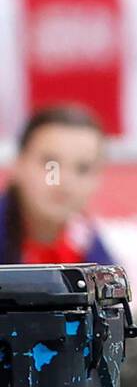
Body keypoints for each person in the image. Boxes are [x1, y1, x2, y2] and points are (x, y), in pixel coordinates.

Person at [0, 104, 113, 266]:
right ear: (18, 164)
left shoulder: (88, 244)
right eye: (50, 164)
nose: (64, 181)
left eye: (82, 169)